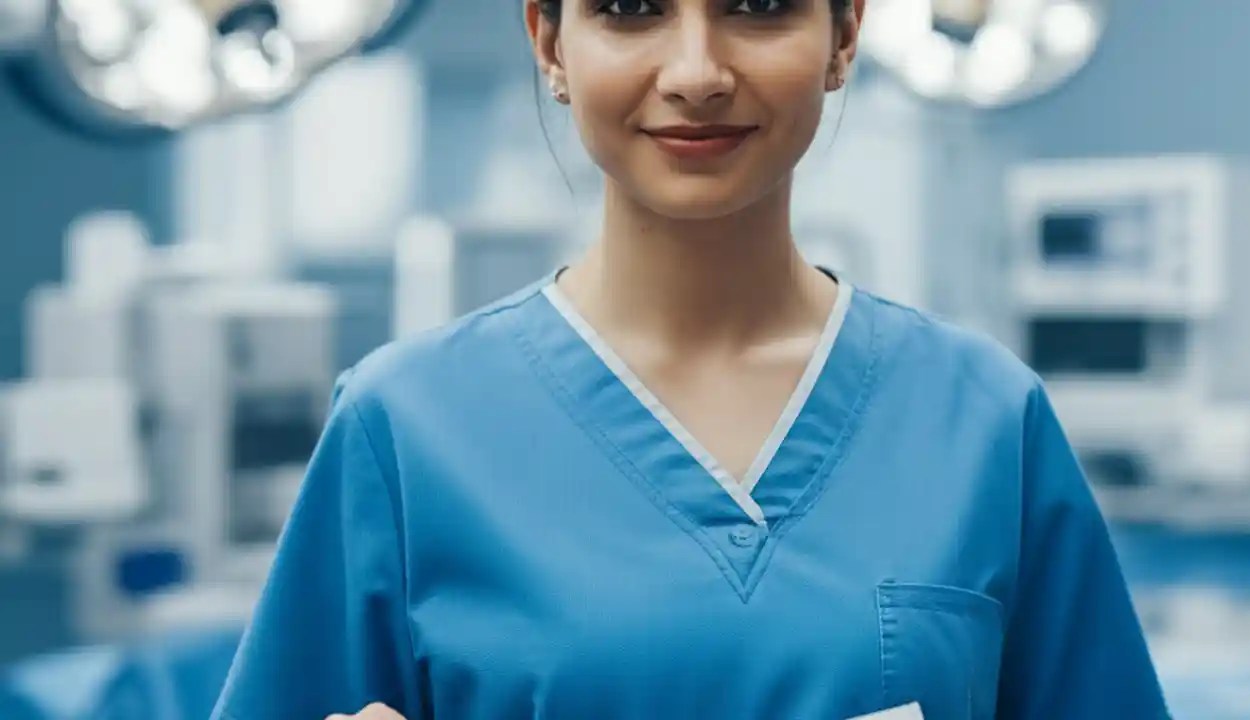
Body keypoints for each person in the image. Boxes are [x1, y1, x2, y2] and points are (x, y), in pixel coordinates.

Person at [211, 0, 1171, 718]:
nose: (697, 69)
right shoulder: (405, 427)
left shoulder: (984, 419)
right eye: (631, 9)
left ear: (844, 38)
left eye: (759, 6)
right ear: (550, 43)